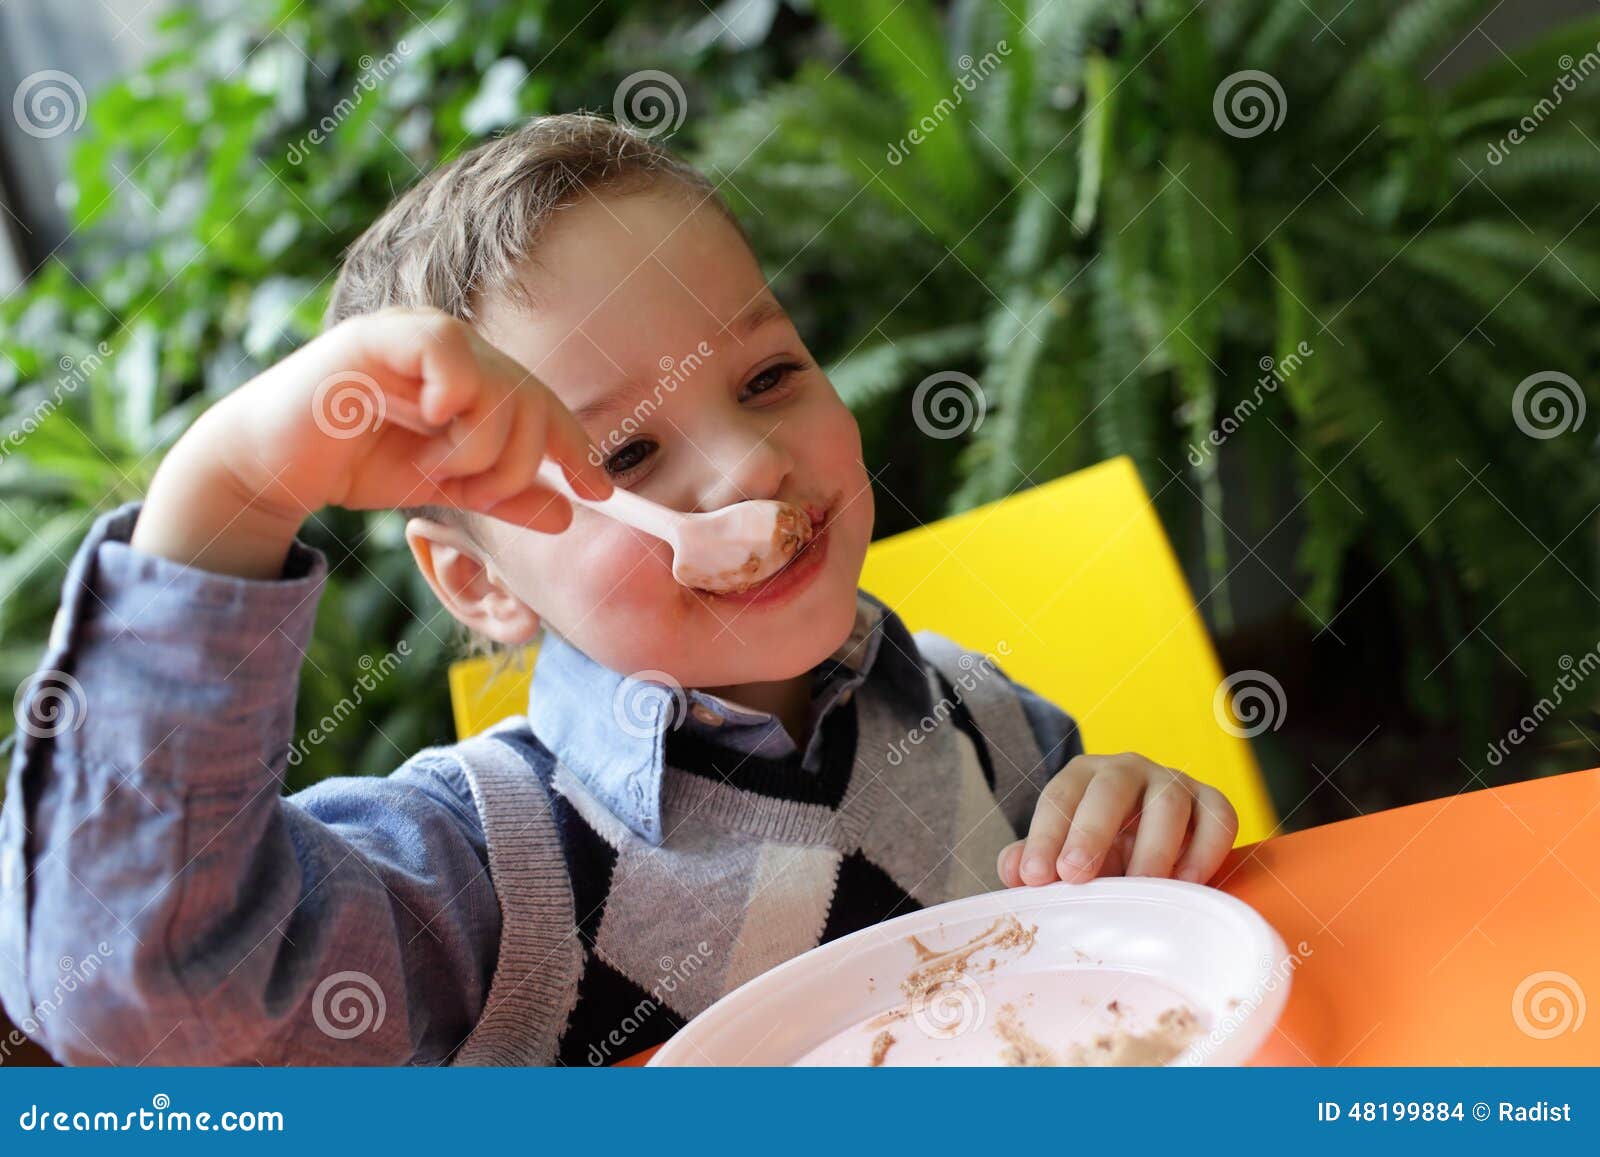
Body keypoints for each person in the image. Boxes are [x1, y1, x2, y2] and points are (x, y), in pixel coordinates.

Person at [0, 114, 1238, 1066]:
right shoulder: (481, 871)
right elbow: (142, 993)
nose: (750, 464)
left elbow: (1120, 984)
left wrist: (1131, 824)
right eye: (628, 454)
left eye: (766, 376)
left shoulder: (984, 718)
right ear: (478, 580)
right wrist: (232, 489)